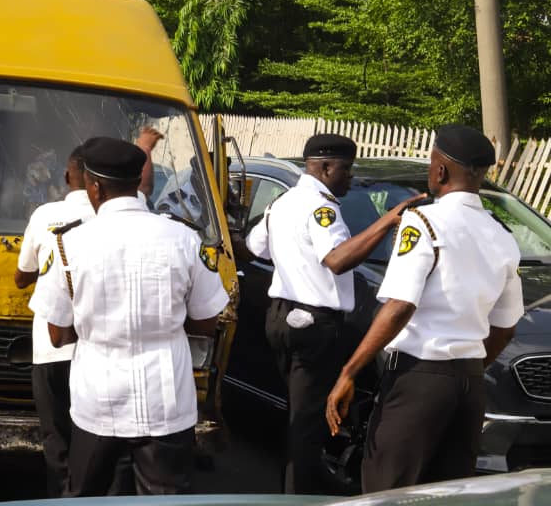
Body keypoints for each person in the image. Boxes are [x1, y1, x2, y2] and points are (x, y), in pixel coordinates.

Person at [326, 125, 523, 492]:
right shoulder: (503, 237)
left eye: (433, 162)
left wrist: (349, 371)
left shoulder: (423, 222)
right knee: (446, 495)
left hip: (419, 379)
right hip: (470, 388)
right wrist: (466, 371)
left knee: (387, 490)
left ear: (441, 170)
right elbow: (506, 327)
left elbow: (401, 304)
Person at [31, 136, 229, 496]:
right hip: (166, 403)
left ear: (93, 187)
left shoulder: (68, 244)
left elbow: (57, 335)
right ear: (139, 182)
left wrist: (97, 327)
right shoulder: (184, 238)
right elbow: (206, 323)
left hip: (97, 403)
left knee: (87, 499)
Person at [242, 134, 423, 494]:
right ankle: (299, 496)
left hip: (280, 317)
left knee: (299, 413)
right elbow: (338, 260)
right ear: (325, 168)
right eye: (346, 170)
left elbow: (253, 247)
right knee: (308, 424)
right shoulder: (322, 209)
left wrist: (293, 262)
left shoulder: (283, 202)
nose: (350, 178)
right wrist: (388, 222)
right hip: (314, 325)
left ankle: (301, 481)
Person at [15, 129, 163, 497]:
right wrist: (144, 147)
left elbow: (22, 277)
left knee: (58, 441)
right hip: (105, 355)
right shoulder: (132, 218)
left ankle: (62, 499)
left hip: (53, 351)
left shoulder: (47, 216)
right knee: (107, 443)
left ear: (70, 177)